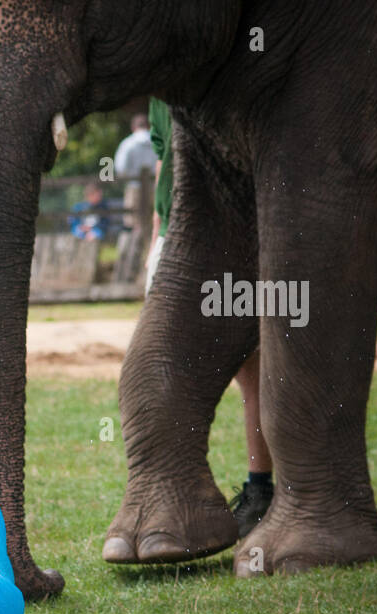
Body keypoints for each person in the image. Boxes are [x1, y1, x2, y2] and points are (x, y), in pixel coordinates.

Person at [143, 98, 273, 537]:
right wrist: (156, 237)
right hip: (174, 241)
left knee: (251, 370)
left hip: (227, 239)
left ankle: (262, 489)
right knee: (165, 367)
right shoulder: (158, 95)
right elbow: (165, 164)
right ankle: (178, 496)